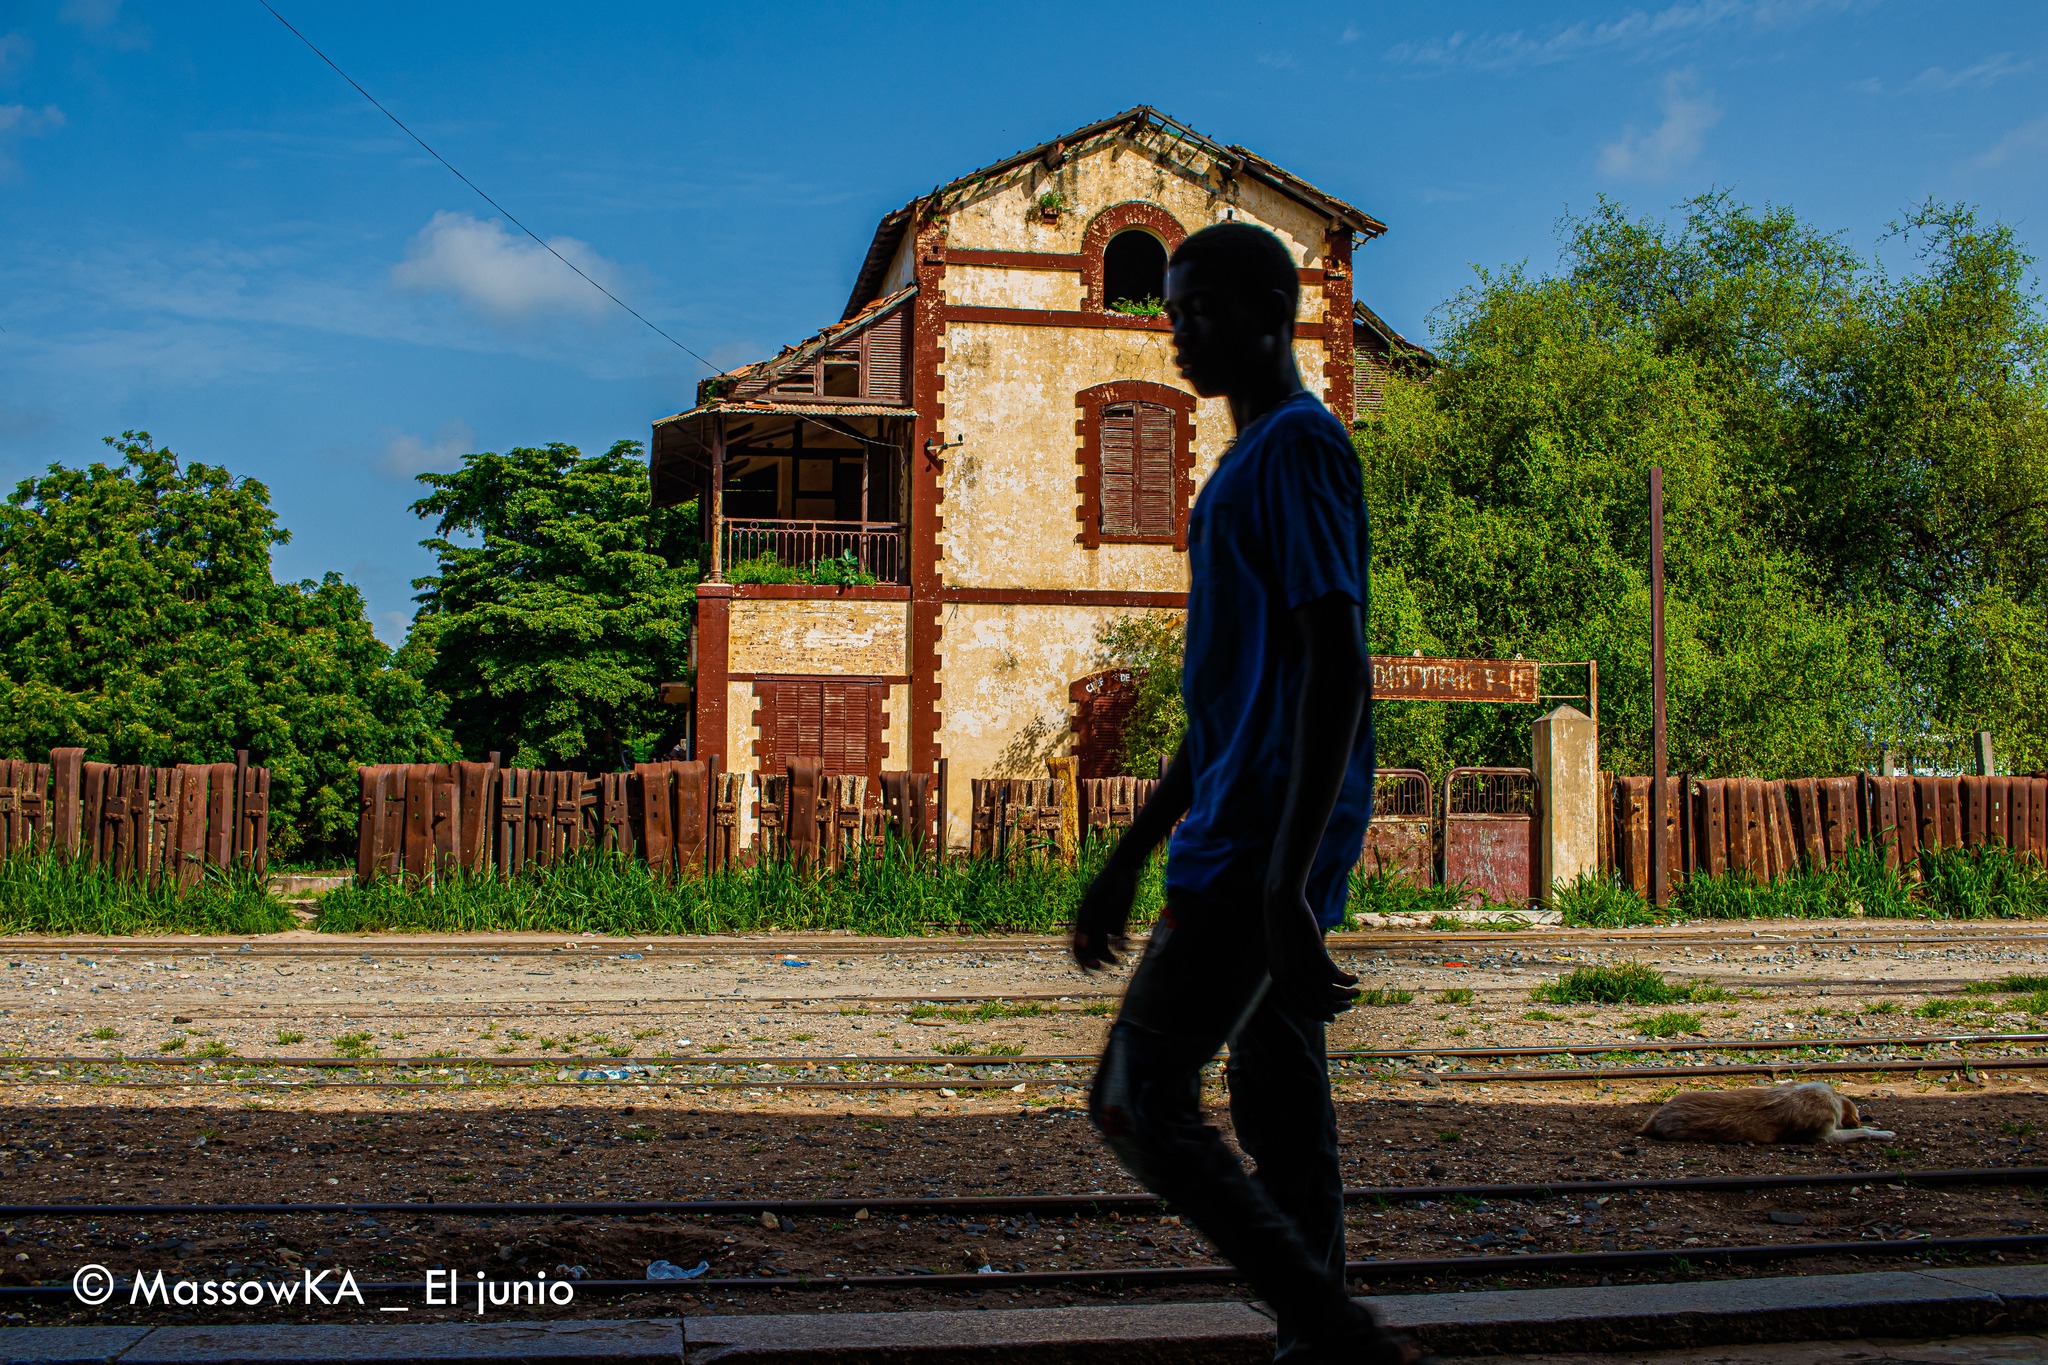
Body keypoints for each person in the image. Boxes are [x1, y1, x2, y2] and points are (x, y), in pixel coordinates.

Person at [1074, 222, 1409, 1364]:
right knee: (1281, 1114)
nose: (1176, 332)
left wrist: (1281, 878)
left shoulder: (1301, 450)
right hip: (1245, 830)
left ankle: (1335, 1335)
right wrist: (1125, 856)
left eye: (1198, 310)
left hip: (1260, 843)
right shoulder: (1243, 465)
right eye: (1170, 310)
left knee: (1135, 1097)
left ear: (1274, 314)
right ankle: (1321, 1357)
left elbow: (1336, 663)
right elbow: (1225, 705)